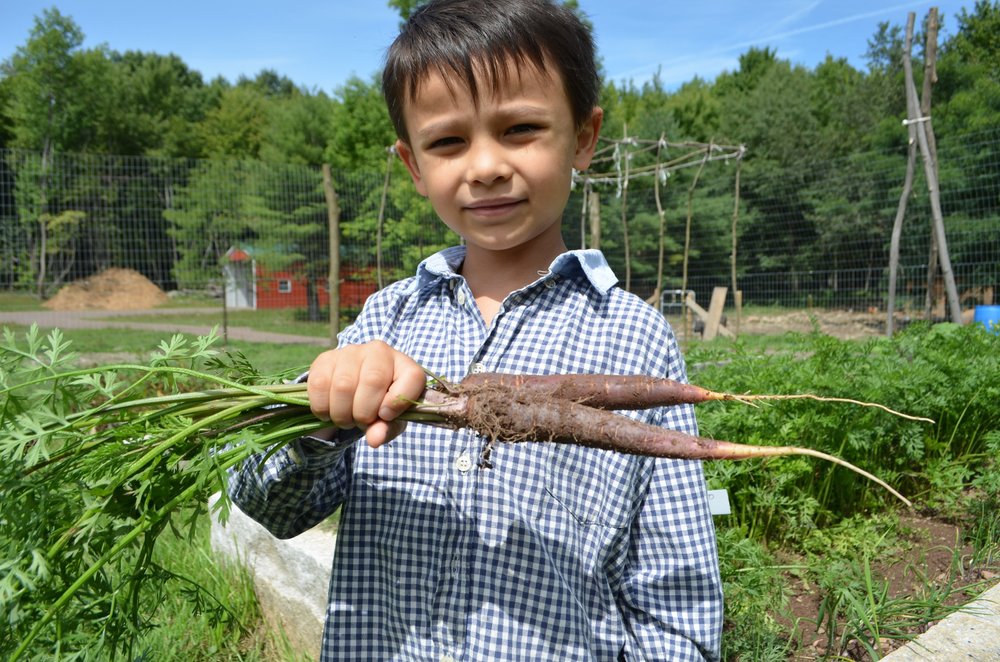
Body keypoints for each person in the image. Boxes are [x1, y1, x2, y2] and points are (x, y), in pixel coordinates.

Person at [228, 0, 723, 659]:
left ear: (582, 136)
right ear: (413, 164)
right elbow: (269, 504)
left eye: (519, 129)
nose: (485, 165)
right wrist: (323, 414)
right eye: (448, 142)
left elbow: (676, 599)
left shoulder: (634, 338)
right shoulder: (385, 323)